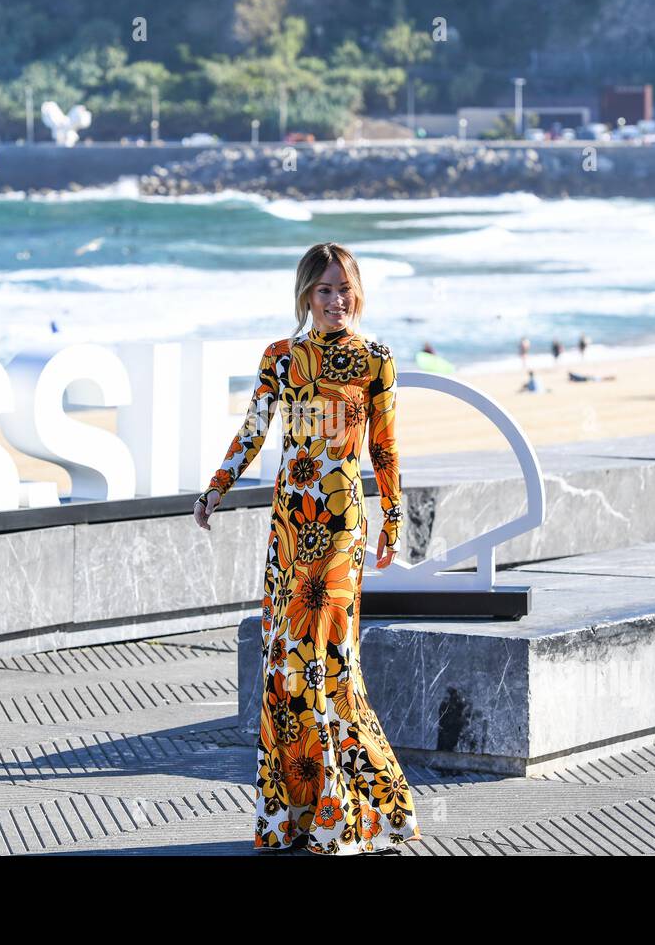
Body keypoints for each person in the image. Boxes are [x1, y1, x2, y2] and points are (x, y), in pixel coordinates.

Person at [193, 242, 421, 856]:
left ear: (358, 293)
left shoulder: (376, 360)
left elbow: (385, 448)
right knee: (284, 670)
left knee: (331, 666)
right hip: (289, 526)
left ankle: (353, 815)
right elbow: (253, 429)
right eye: (324, 290)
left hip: (343, 523)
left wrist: (393, 519)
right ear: (305, 296)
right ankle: (295, 817)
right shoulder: (279, 358)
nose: (336, 300)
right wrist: (216, 488)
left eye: (345, 289)